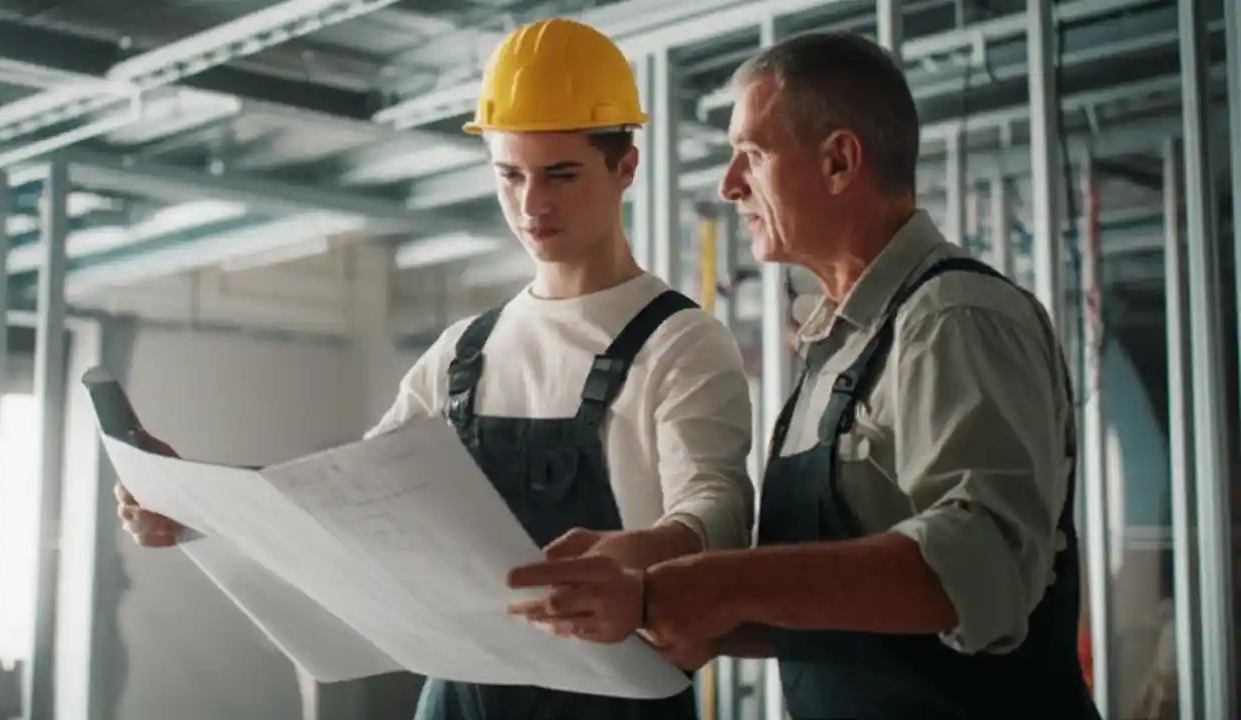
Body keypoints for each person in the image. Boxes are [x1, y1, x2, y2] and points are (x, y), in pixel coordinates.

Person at [113, 16, 755, 720]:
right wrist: (196, 506)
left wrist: (640, 550)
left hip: (617, 701)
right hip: (457, 699)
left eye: (561, 175)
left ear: (625, 167)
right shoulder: (460, 354)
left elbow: (718, 511)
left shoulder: (681, 343)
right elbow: (342, 501)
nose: (532, 205)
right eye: (509, 175)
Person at [506, 31, 1102, 720]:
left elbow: (985, 566)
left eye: (751, 156)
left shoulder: (951, 318)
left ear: (840, 161)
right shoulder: (839, 347)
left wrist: (718, 583)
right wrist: (673, 608)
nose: (730, 185)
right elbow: (842, 615)